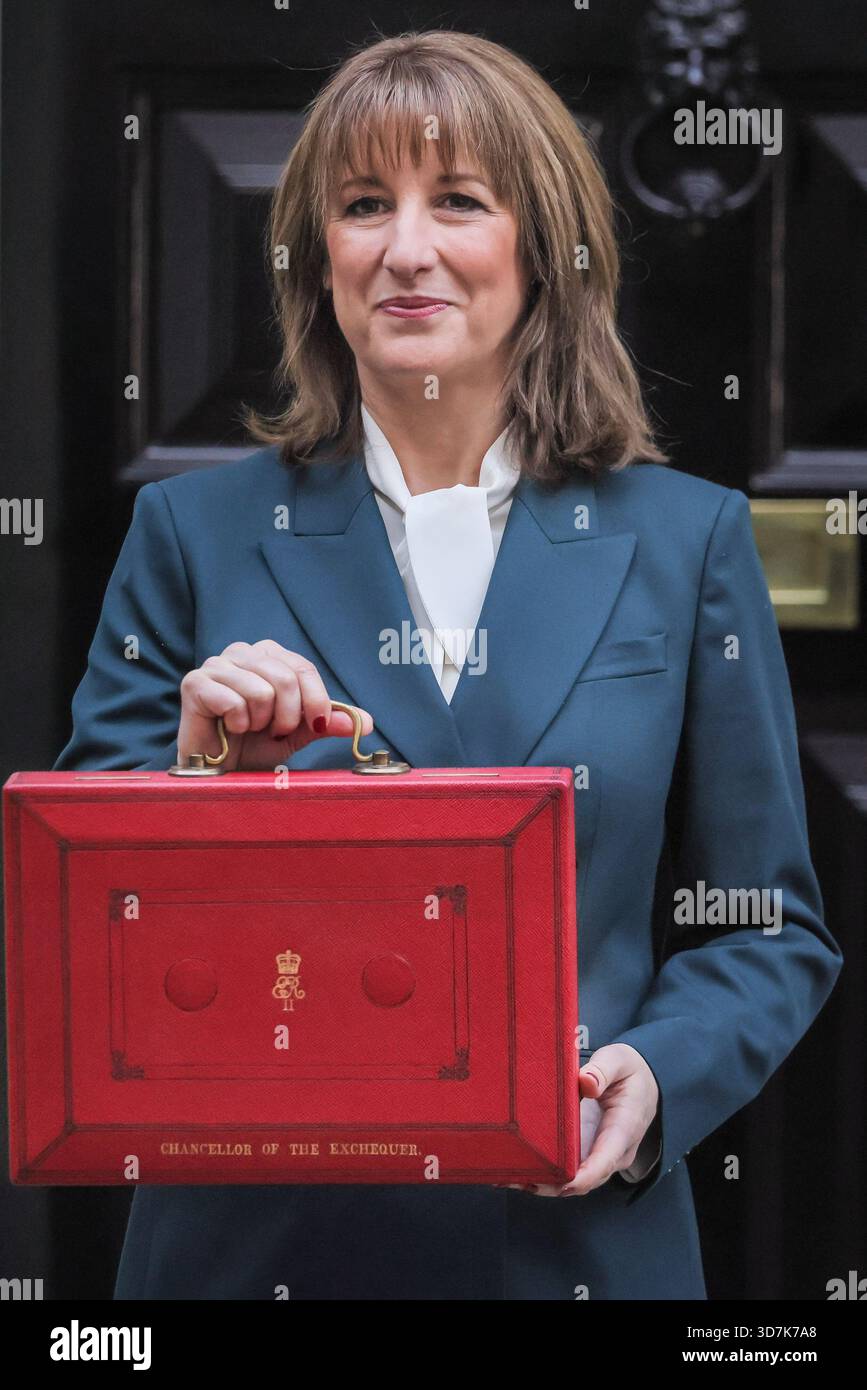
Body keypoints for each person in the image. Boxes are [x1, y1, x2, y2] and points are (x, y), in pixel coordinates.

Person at [52, 30, 842, 1300]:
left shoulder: (686, 539)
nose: (405, 249)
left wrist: (658, 1075)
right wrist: (204, 781)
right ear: (319, 260)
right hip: (251, 1252)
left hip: (573, 1242)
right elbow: (78, 943)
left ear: (546, 251)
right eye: (364, 206)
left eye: (458, 201)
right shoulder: (190, 535)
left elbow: (767, 925)